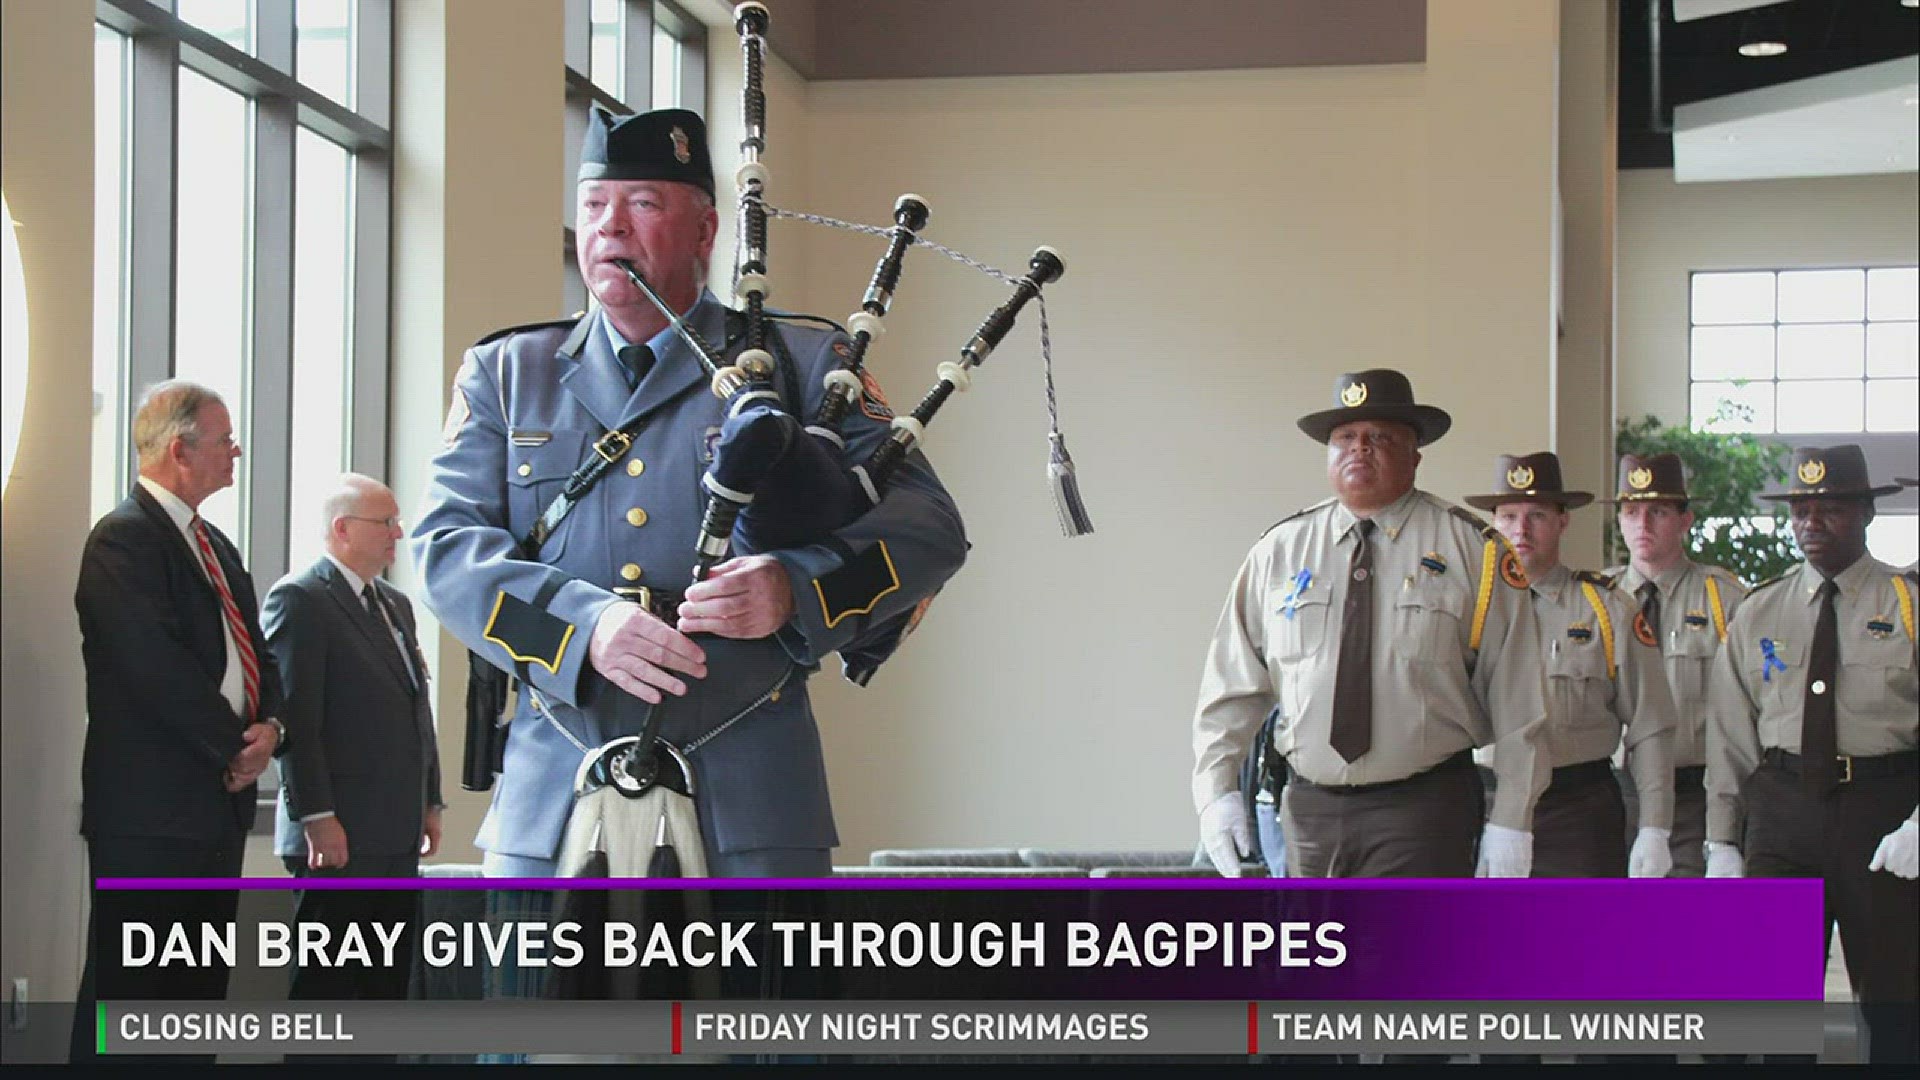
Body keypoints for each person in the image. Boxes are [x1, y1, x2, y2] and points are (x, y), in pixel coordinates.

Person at [410, 106, 967, 881]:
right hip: (554, 795)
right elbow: (444, 551)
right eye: (593, 208)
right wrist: (583, 628)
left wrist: (796, 591)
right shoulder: (509, 373)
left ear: (706, 232)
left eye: (640, 205)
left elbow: (930, 532)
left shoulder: (803, 361)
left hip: (751, 796)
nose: (609, 230)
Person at [1192, 369, 1550, 879]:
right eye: (1345, 438)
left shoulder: (1475, 550)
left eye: (1380, 437)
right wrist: (1216, 791)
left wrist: (1513, 818)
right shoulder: (1279, 551)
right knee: (1320, 956)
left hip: (1423, 810)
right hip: (1310, 811)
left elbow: (1519, 700)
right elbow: (1231, 686)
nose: (1359, 449)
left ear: (1415, 455)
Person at [70, 380, 287, 1061]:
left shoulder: (216, 545)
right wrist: (234, 746)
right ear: (178, 450)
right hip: (150, 812)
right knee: (133, 992)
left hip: (215, 807)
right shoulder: (123, 541)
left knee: (195, 995)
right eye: (224, 441)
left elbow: (258, 652)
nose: (237, 452)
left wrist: (272, 731)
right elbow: (151, 668)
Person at [1706, 444, 1917, 1064]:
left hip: (1881, 815)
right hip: (1783, 814)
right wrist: (1722, 839)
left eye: (1830, 509)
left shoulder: (1906, 604)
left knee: (1894, 1004)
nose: (1811, 523)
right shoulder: (1758, 610)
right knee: (1775, 1012)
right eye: (1800, 509)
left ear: (1865, 515)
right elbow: (1730, 732)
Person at [263, 473, 442, 1008]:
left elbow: (414, 708)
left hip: (394, 834)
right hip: (337, 838)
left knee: (383, 994)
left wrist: (429, 800)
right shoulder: (301, 600)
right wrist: (316, 817)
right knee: (329, 996)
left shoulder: (393, 604)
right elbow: (296, 721)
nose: (399, 534)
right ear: (342, 528)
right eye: (385, 522)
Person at [1469, 452, 1676, 877]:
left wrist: (1655, 827)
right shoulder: (1469, 608)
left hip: (1578, 809)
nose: (1521, 530)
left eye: (1537, 515)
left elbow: (1650, 725)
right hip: (1482, 799)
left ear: (1563, 520)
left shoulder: (1608, 607)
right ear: (1493, 523)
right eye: (1509, 516)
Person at [1606, 451, 1747, 877]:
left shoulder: (1724, 599)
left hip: (1694, 792)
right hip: (1612, 793)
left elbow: (1742, 713)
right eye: (1631, 512)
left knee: (1682, 930)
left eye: (1658, 512)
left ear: (1685, 520)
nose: (1642, 525)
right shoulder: (1597, 599)